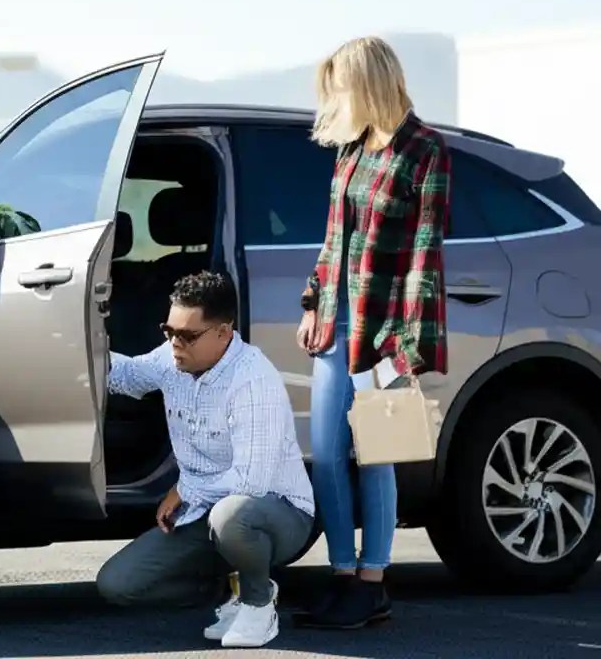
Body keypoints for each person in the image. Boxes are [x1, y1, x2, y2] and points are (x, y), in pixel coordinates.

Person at [295, 36, 451, 629]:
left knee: (375, 455)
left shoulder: (426, 150)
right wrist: (312, 301)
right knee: (329, 457)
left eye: (341, 86)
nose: (335, 98)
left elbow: (423, 253)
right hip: (337, 324)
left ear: (369, 82)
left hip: (382, 328)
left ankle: (373, 580)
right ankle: (342, 575)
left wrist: (406, 344)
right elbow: (332, 239)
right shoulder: (352, 150)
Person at [95, 271, 315, 649]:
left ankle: (258, 602)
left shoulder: (252, 380)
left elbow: (251, 483)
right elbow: (128, 377)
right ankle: (231, 590)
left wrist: (183, 488)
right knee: (117, 585)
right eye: (169, 331)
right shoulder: (171, 358)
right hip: (204, 513)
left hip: (276, 514)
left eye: (187, 336)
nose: (175, 344)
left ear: (224, 333)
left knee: (231, 516)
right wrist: (81, 351)